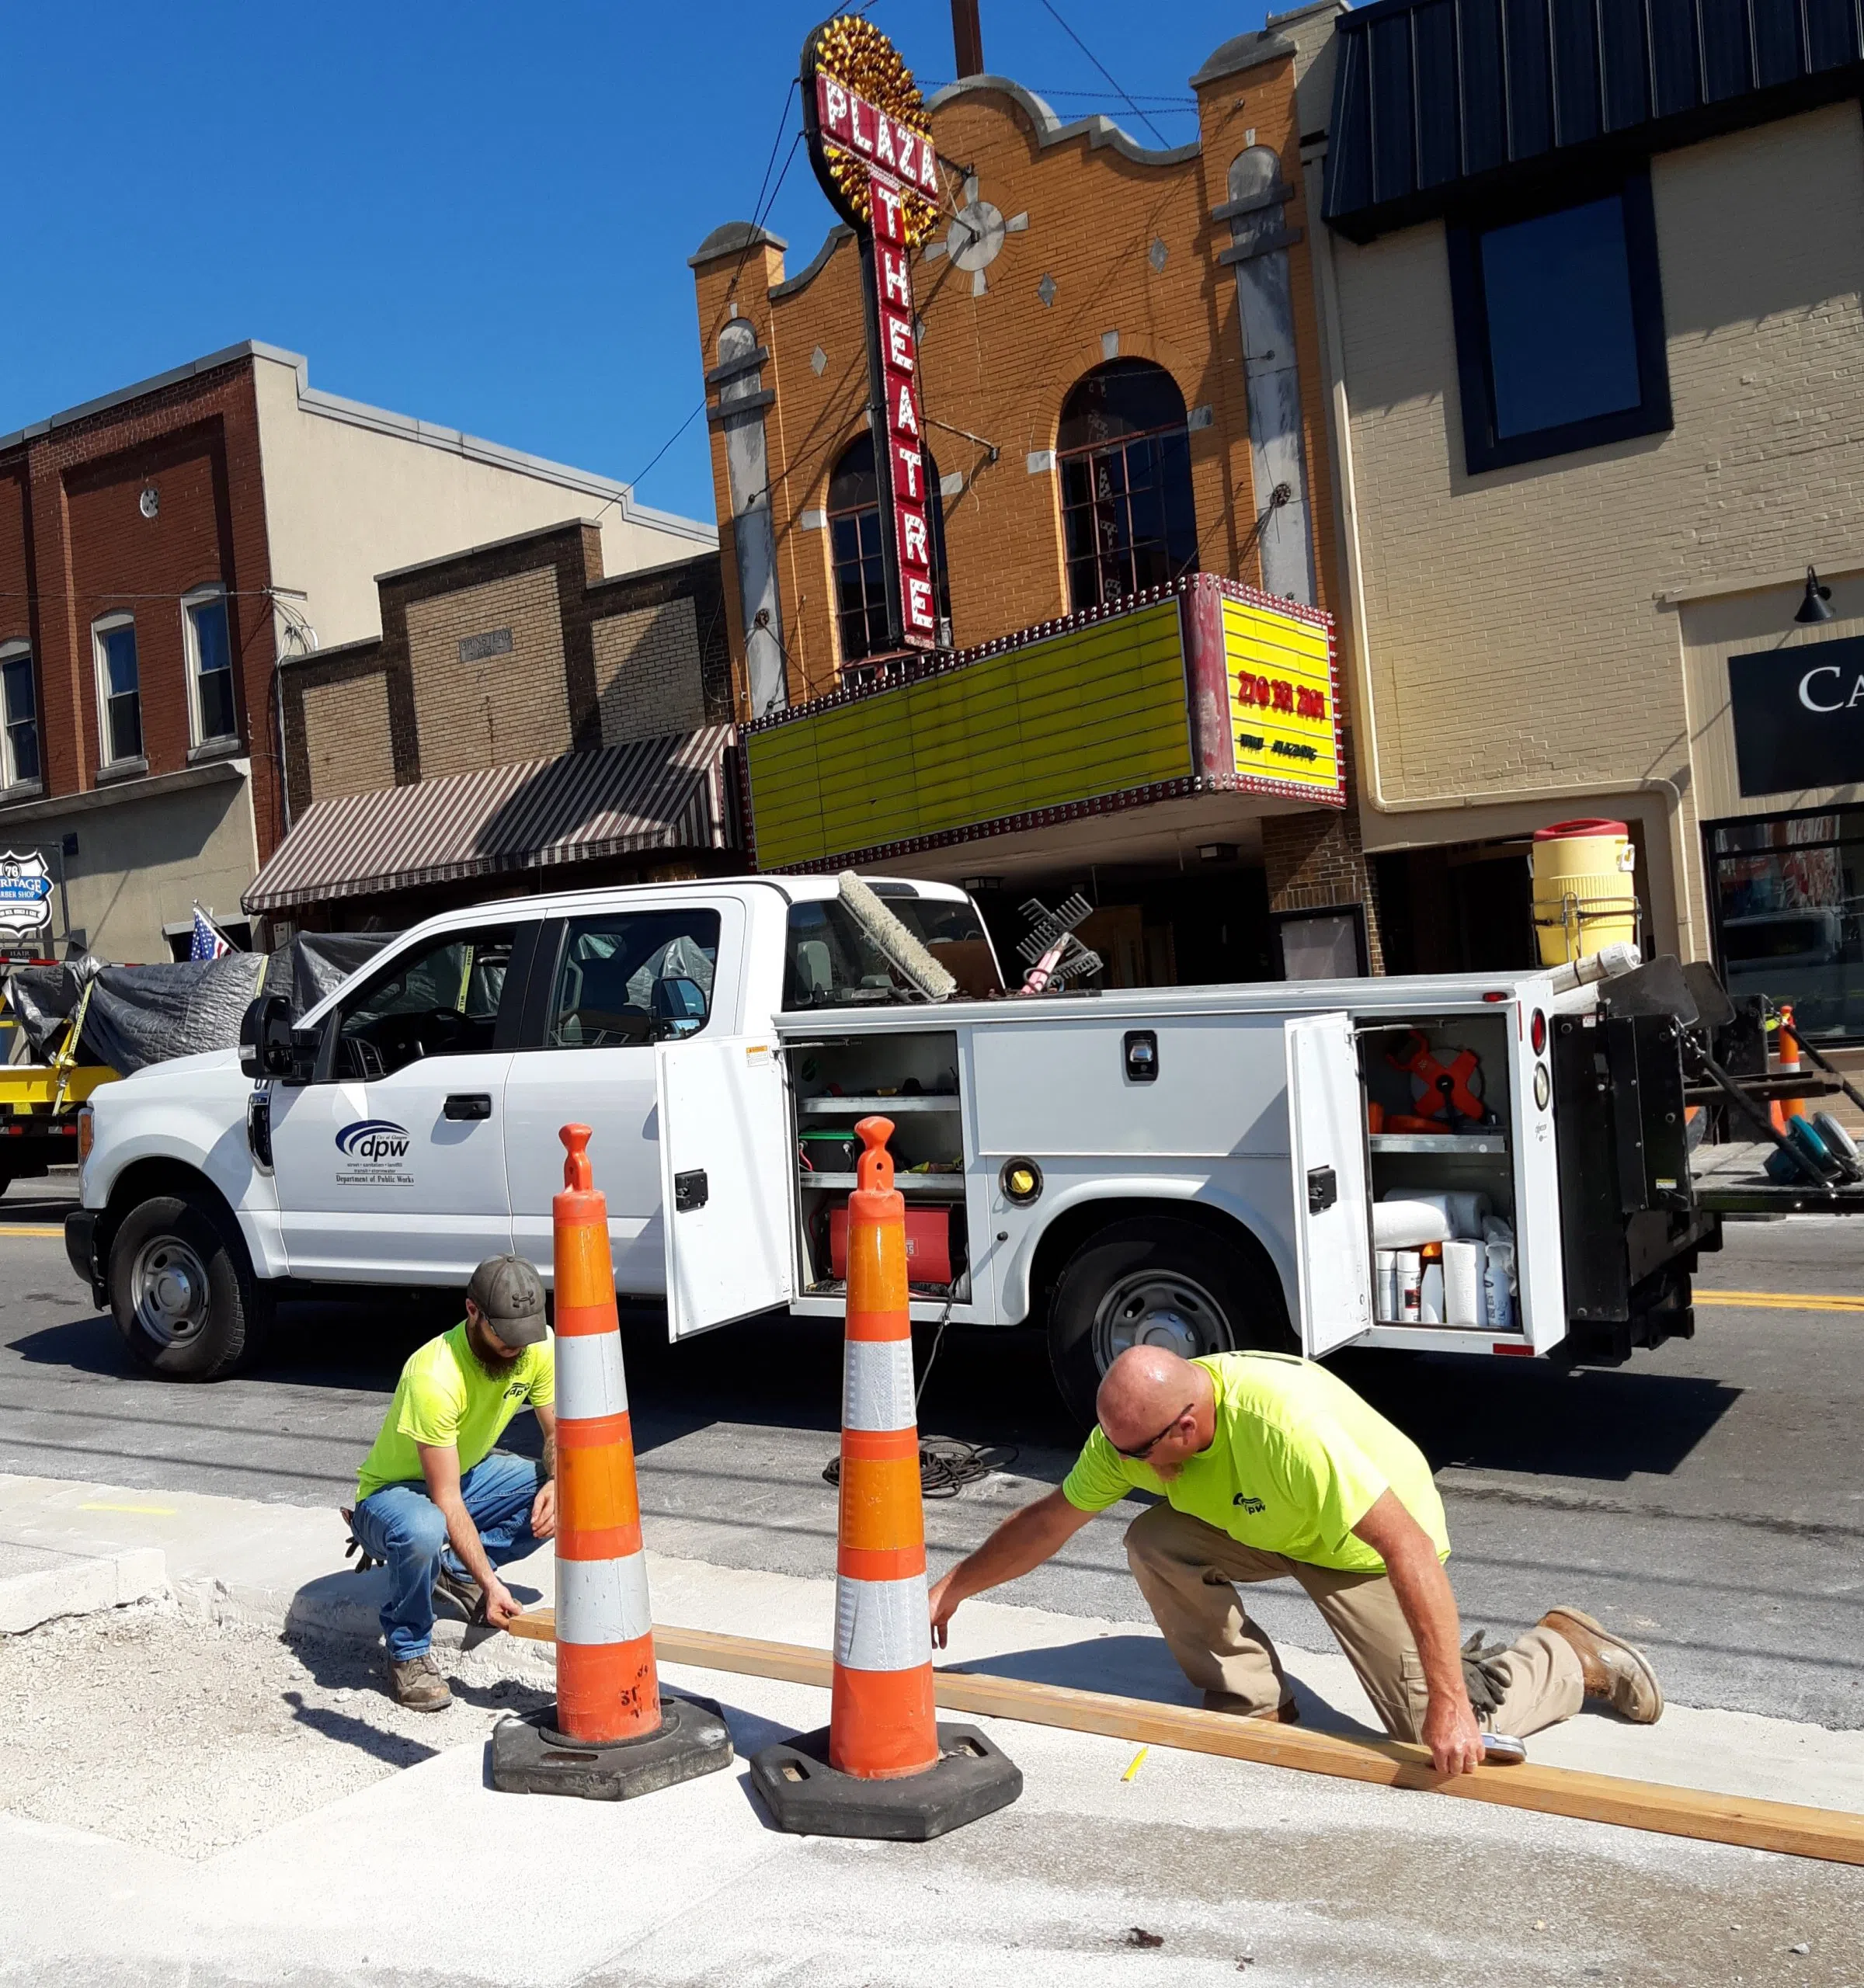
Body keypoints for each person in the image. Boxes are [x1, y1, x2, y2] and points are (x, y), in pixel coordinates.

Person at [927, 1346, 1662, 1774]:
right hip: (1263, 1521)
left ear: (1188, 1423)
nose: (1125, 1466)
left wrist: (1447, 1704)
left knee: (1426, 1729)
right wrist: (954, 1586)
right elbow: (1053, 1520)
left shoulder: (1285, 1428)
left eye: (1140, 1454)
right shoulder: (1133, 1437)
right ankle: (1253, 1699)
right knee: (1153, 1539)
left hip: (1357, 1544)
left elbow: (1404, 1546)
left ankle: (1565, 1654)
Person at [350, 1256, 557, 1711]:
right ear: (472, 1311)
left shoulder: (537, 1346)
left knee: (576, 1488)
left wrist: (560, 1482)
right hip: (393, 1496)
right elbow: (445, 1499)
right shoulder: (434, 1375)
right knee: (424, 1527)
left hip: (464, 1477)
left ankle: (453, 1573)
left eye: (524, 1336)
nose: (515, 1349)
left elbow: (559, 1433)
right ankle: (408, 1652)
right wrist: (491, 1585)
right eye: (504, 1335)